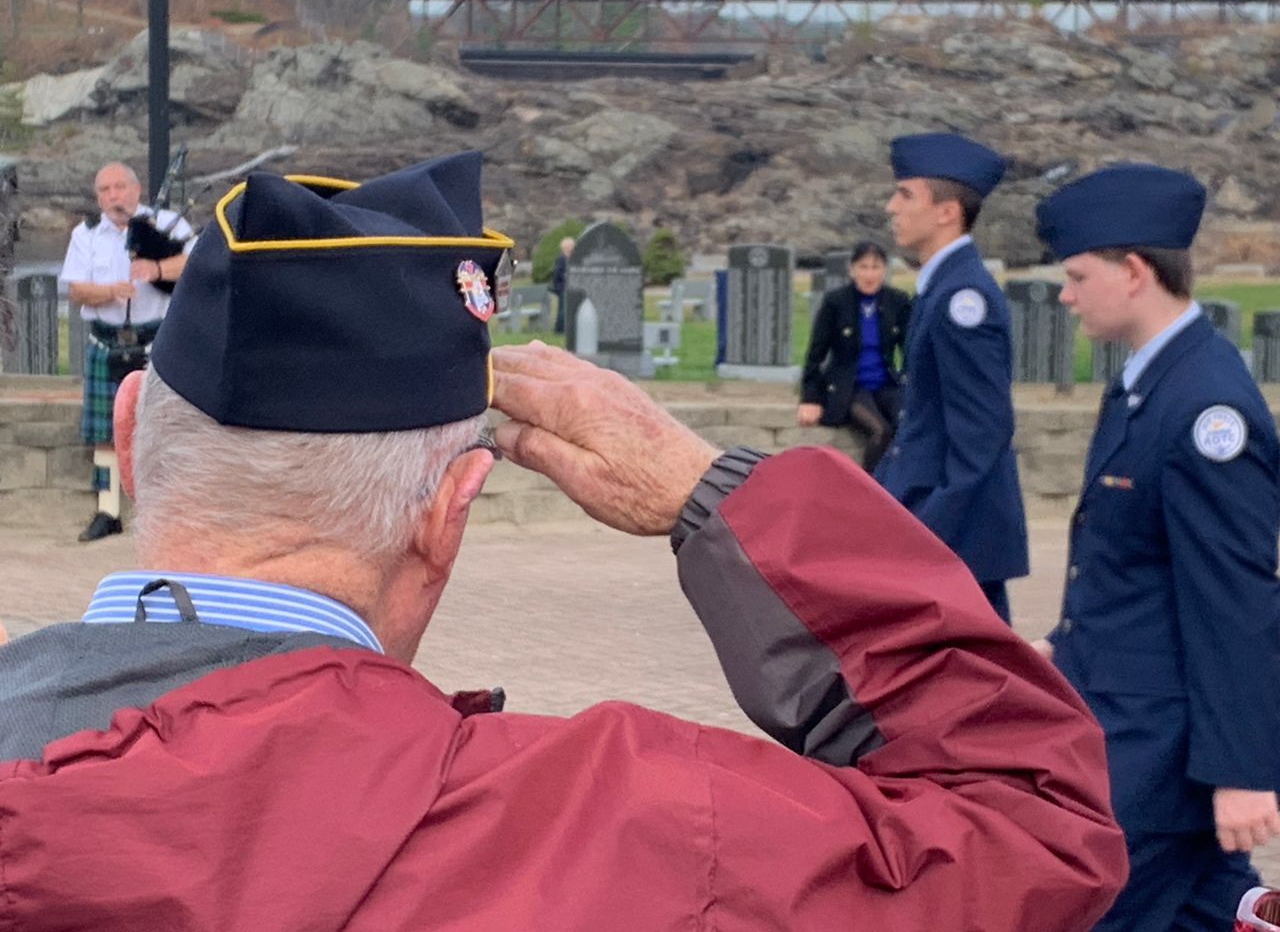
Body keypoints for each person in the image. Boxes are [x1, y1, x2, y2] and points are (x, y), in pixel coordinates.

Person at [0, 153, 1126, 929]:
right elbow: (1030, 837)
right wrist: (709, 491)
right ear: (454, 508)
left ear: (136, 436)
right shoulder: (614, 823)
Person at [1034, 163, 1280, 932]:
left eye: (1078, 276)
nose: (1066, 294)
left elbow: (1234, 601)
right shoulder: (1146, 383)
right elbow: (1132, 568)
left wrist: (1242, 774)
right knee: (1215, 910)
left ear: (1134, 272)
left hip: (1161, 759)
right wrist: (1064, 647)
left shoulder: (1206, 408)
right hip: (1127, 725)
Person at [874, 133, 1029, 624]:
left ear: (947, 211)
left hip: (957, 536)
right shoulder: (942, 287)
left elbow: (982, 432)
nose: (891, 206)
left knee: (978, 687)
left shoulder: (965, 300)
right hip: (936, 523)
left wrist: (931, 530)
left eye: (906, 194)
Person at [57, 161, 194, 542]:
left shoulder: (168, 224)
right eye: (105, 190)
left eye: (120, 187)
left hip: (158, 338)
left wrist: (156, 267)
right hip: (107, 339)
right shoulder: (85, 235)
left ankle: (165, 511)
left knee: (163, 425)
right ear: (99, 197)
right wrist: (110, 292)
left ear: (136, 190)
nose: (113, 196)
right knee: (105, 431)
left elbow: (194, 263)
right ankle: (108, 511)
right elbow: (77, 290)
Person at [798, 240, 912, 472]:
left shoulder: (897, 301)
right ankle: (872, 493)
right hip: (849, 387)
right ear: (852, 270)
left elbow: (910, 350)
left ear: (885, 270)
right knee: (881, 431)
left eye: (875, 267)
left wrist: (912, 384)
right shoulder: (836, 302)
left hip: (886, 384)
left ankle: (903, 495)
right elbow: (816, 355)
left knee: (908, 427)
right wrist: (810, 398)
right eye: (863, 267)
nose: (869, 274)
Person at [550, 234, 574, 334]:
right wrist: (558, 287)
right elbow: (557, 274)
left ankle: (567, 328)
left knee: (568, 309)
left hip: (570, 287)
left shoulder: (573, 258)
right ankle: (559, 329)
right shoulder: (561, 259)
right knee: (562, 310)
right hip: (562, 288)